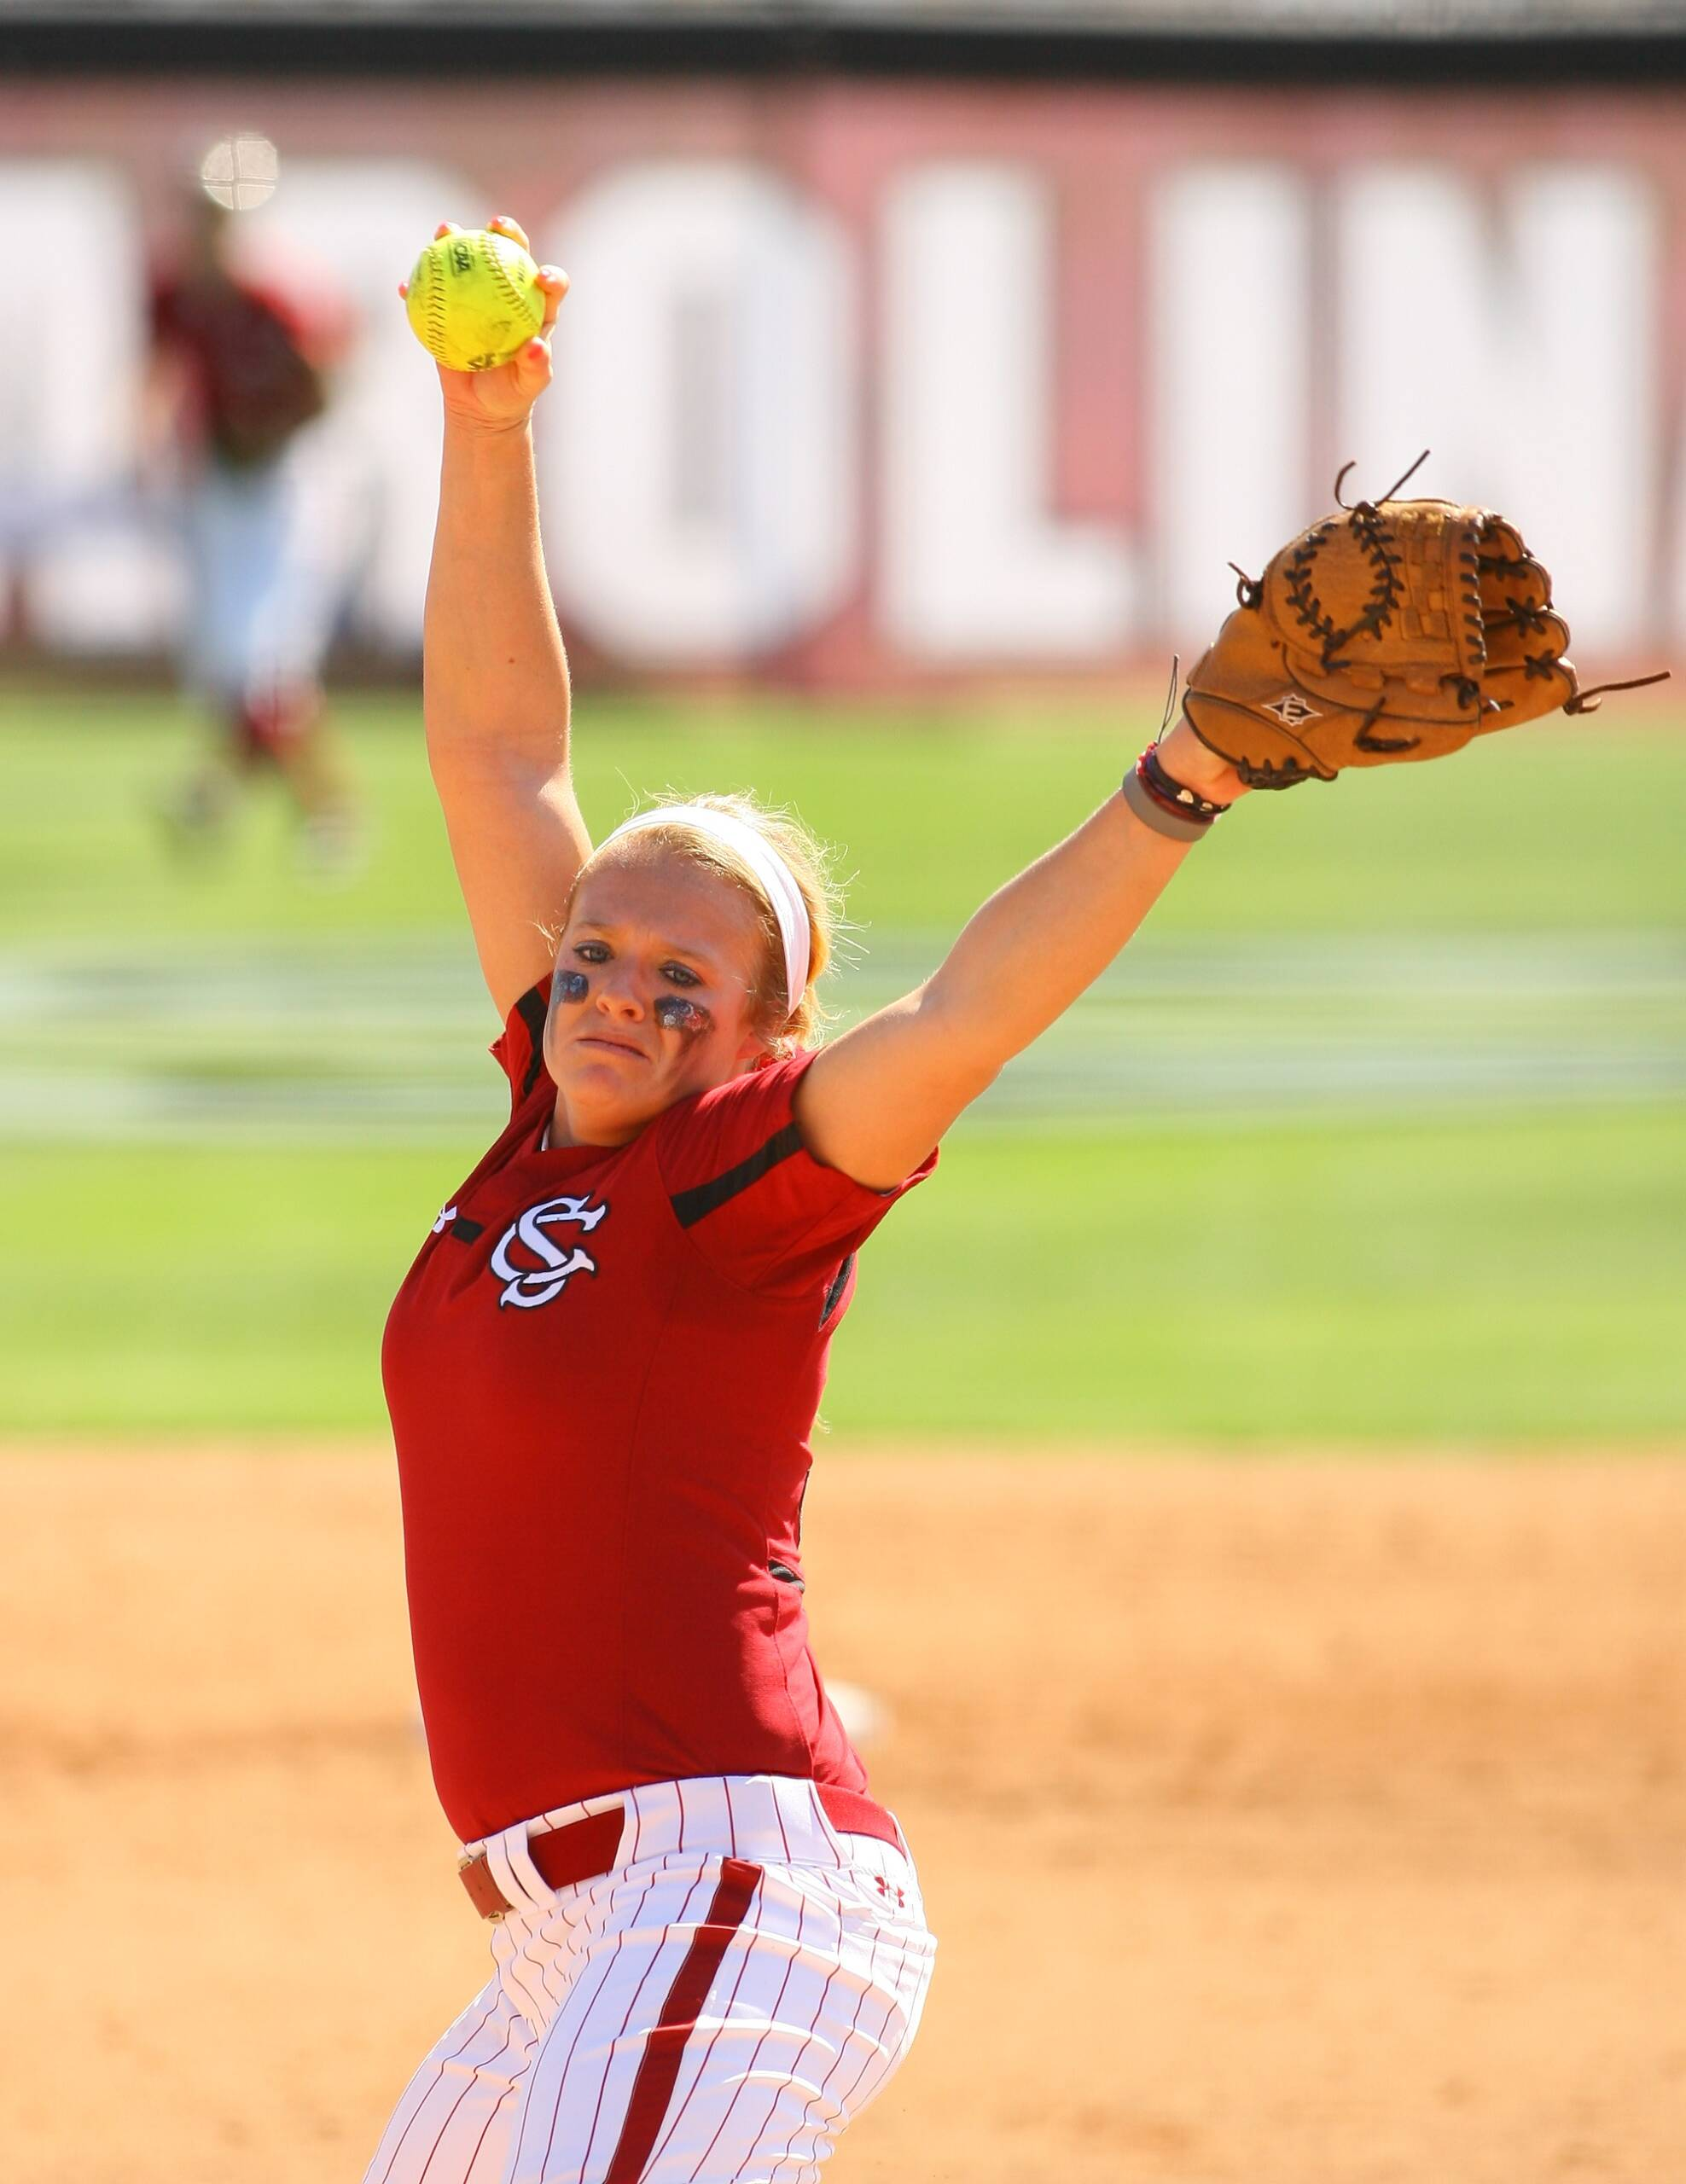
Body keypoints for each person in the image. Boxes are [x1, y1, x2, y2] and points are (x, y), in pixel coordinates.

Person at [369, 214, 1248, 2184]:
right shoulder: (543, 1119)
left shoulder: (738, 1183)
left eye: (681, 983)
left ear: (761, 1030)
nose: (613, 992)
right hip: (564, 1942)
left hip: (731, 1900)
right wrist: (487, 427)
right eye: (595, 951)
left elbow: (967, 1010)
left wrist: (1179, 774)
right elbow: (500, 743)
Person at [144, 173, 361, 869]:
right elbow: (159, 372)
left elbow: (324, 392)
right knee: (230, 667)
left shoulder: (277, 299)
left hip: (287, 477)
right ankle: (235, 798)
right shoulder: (174, 292)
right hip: (218, 482)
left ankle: (316, 810)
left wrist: (259, 433)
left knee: (264, 663)